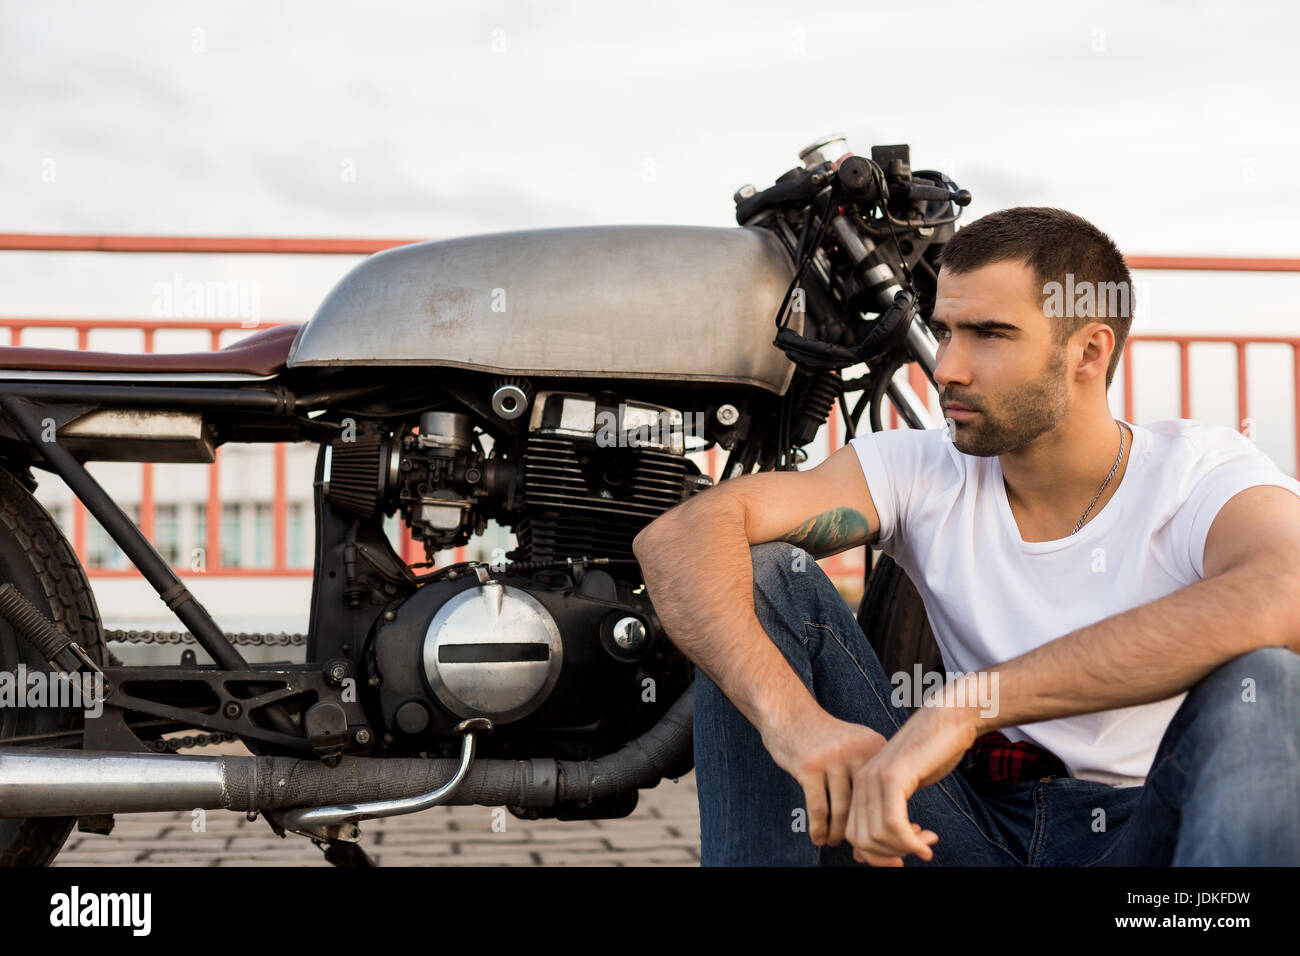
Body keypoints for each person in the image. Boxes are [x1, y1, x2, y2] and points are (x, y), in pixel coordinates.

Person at [633, 206, 1300, 866]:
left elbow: (1283, 593)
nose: (947, 367)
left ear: (1089, 351)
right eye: (945, 330)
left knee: (1265, 679)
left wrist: (965, 709)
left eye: (989, 334)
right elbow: (680, 538)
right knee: (763, 572)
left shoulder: (1199, 472)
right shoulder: (919, 468)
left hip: (1143, 836)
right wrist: (796, 725)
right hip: (949, 830)